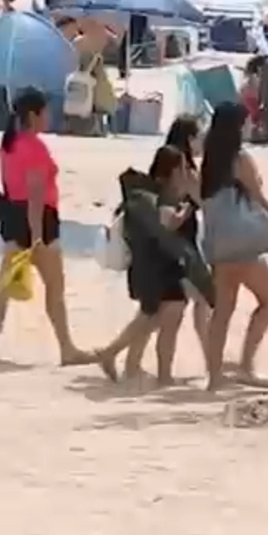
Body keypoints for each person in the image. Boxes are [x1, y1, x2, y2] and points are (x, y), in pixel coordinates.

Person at [0, 89, 94, 366]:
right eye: (45, 111)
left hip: (12, 218)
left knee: (2, 285)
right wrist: (37, 234)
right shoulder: (35, 147)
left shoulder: (9, 145)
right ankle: (67, 349)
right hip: (38, 220)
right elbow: (36, 193)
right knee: (55, 288)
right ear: (33, 115)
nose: (48, 116)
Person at [199, 102, 268, 391]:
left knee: (222, 312)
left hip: (218, 246)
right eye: (245, 122)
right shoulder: (240, 159)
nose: (249, 126)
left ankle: (215, 377)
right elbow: (259, 199)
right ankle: (246, 366)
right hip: (242, 245)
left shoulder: (209, 162)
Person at [91, 146, 200, 385]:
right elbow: (168, 224)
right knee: (162, 319)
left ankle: (133, 366)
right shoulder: (161, 195)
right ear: (171, 170)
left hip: (152, 268)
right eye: (181, 168)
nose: (186, 172)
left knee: (151, 317)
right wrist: (189, 207)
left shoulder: (150, 192)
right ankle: (126, 360)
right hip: (162, 270)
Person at [115, 116, 212, 382]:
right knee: (178, 310)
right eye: (199, 135)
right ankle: (210, 363)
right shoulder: (183, 170)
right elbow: (202, 201)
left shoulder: (167, 163)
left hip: (167, 249)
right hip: (178, 251)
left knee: (155, 312)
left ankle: (131, 364)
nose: (202, 140)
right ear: (189, 139)